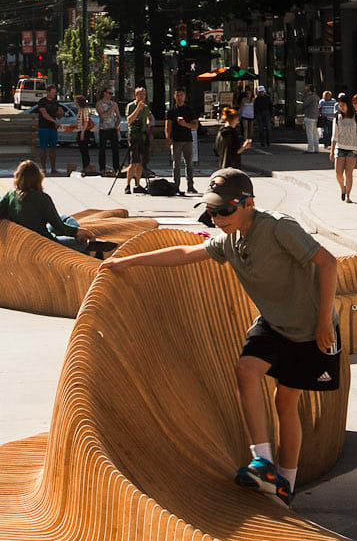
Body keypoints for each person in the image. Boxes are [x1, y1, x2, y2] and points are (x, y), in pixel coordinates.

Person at [103, 168, 341, 506]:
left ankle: (285, 485)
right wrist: (127, 262)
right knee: (246, 371)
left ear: (248, 204)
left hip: (310, 328)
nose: (217, 218)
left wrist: (323, 323)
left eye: (224, 211)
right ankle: (262, 462)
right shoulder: (229, 239)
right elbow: (185, 254)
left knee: (285, 402)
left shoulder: (277, 227)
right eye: (211, 211)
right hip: (275, 323)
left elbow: (327, 263)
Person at [0, 159, 102, 248]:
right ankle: (83, 241)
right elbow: (60, 228)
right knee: (81, 244)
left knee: (64, 217)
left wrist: (15, 221)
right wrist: (81, 231)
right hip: (43, 243)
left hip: (21, 241)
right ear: (38, 177)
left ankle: (77, 232)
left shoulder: (11, 195)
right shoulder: (42, 198)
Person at [166, 87, 199, 195]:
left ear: (184, 96)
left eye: (181, 95)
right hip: (176, 140)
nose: (179, 97)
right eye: (177, 95)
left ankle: (190, 186)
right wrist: (168, 138)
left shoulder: (189, 110)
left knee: (189, 163)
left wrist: (185, 124)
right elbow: (168, 126)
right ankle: (176, 186)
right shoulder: (171, 111)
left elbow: (195, 126)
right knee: (176, 164)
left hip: (188, 140)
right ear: (174, 96)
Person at [330, 94, 357, 203]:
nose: (341, 107)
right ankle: (342, 188)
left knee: (349, 173)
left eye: (343, 105)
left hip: (353, 148)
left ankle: (348, 195)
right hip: (340, 148)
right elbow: (334, 136)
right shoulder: (337, 118)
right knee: (338, 173)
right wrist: (332, 150)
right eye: (339, 105)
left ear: (348, 105)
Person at [124, 87, 151, 194]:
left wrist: (148, 123)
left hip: (143, 136)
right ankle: (128, 185)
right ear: (135, 95)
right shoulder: (131, 106)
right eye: (139, 94)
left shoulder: (146, 107)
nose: (141, 96)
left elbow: (148, 118)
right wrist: (138, 109)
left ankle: (138, 184)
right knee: (133, 162)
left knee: (140, 162)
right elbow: (129, 120)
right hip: (134, 135)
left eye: (143, 94)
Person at [34, 85, 62, 176]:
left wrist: (61, 113)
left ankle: (53, 168)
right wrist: (54, 121)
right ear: (48, 92)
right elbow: (44, 114)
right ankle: (44, 168)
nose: (54, 94)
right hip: (44, 127)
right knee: (43, 148)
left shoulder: (55, 102)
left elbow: (59, 114)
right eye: (52, 93)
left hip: (53, 128)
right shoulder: (42, 102)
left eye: (55, 93)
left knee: (53, 148)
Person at [96, 87, 121, 174]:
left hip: (112, 128)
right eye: (109, 93)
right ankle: (102, 168)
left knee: (115, 149)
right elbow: (103, 116)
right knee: (102, 149)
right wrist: (111, 109)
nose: (111, 95)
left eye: (112, 93)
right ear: (104, 93)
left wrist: (116, 124)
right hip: (103, 129)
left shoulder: (114, 104)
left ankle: (116, 167)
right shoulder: (99, 104)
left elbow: (118, 116)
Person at [74, 92, 96, 174]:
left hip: (85, 131)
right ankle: (85, 165)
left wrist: (82, 132)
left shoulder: (85, 110)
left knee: (85, 150)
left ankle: (86, 165)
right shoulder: (80, 110)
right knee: (82, 150)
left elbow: (86, 121)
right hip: (80, 130)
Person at [300, 85, 320, 154]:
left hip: (309, 116)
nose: (305, 91)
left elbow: (304, 104)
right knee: (315, 133)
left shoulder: (310, 97)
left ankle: (311, 149)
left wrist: (305, 97)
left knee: (310, 133)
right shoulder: (316, 97)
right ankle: (316, 148)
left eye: (306, 90)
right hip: (315, 116)